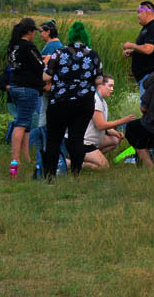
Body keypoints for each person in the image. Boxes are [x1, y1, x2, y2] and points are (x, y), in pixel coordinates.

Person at [41, 34, 103, 182]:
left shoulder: (59, 53)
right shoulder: (93, 54)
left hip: (60, 102)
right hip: (84, 103)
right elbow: (99, 80)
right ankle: (75, 174)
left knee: (53, 140)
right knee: (77, 138)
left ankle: (50, 176)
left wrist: (48, 66)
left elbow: (46, 78)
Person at [5, 17, 44, 179]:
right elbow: (39, 66)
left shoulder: (12, 47)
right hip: (27, 88)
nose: (35, 34)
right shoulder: (28, 46)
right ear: (29, 31)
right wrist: (45, 61)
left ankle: (26, 157)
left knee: (26, 123)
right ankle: (15, 160)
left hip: (14, 87)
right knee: (21, 124)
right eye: (34, 31)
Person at [80, 75, 136, 171]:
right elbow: (101, 125)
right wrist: (123, 121)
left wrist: (116, 133)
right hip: (84, 142)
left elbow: (103, 125)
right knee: (104, 167)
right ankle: (72, 162)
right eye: (110, 86)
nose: (112, 89)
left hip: (93, 141)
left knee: (115, 140)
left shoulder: (103, 102)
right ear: (101, 86)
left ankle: (94, 157)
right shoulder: (95, 100)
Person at [121, 0, 154, 104]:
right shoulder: (148, 27)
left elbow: (148, 49)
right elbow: (151, 49)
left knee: (147, 110)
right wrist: (134, 52)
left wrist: (131, 45)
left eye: (139, 11)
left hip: (151, 77)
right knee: (147, 110)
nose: (137, 15)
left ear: (148, 12)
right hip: (146, 78)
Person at [36, 20, 64, 126]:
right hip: (57, 85)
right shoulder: (59, 45)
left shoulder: (51, 46)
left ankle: (41, 135)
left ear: (48, 32)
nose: (40, 34)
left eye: (41, 31)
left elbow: (48, 67)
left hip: (49, 84)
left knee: (44, 110)